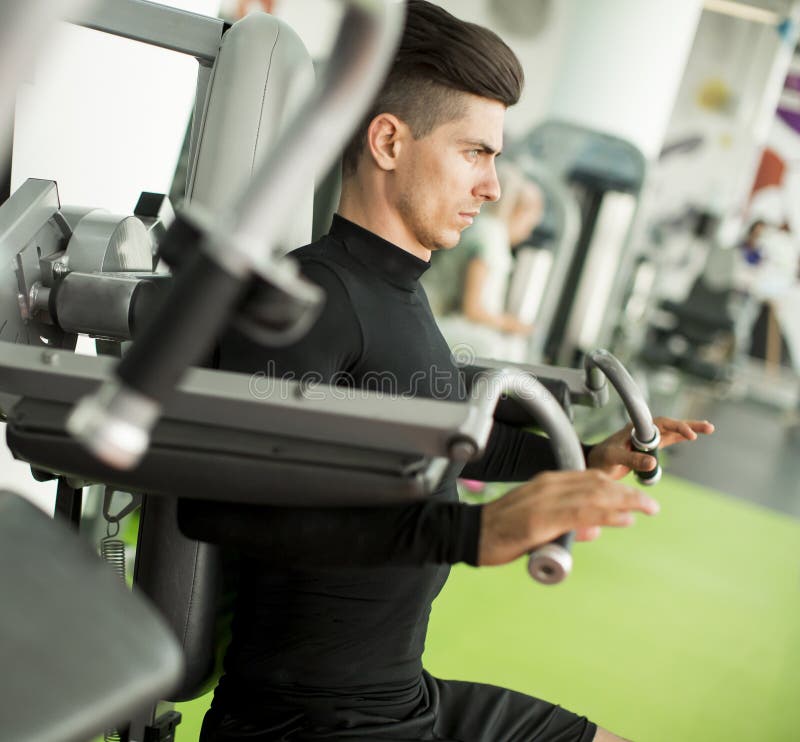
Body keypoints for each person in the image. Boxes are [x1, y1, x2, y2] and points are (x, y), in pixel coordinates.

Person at [178, 3, 714, 740]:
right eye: (475, 153)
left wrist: (582, 455)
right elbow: (226, 509)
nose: (493, 187)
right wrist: (466, 533)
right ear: (390, 141)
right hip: (309, 723)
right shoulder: (313, 300)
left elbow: (433, 431)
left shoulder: (400, 295)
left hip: (401, 696)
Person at [422, 162, 541, 360]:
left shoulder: (483, 228)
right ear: (518, 211)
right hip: (434, 320)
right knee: (501, 350)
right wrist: (515, 326)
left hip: (433, 316)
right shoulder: (491, 236)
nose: (527, 233)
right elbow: (473, 309)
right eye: (529, 224)